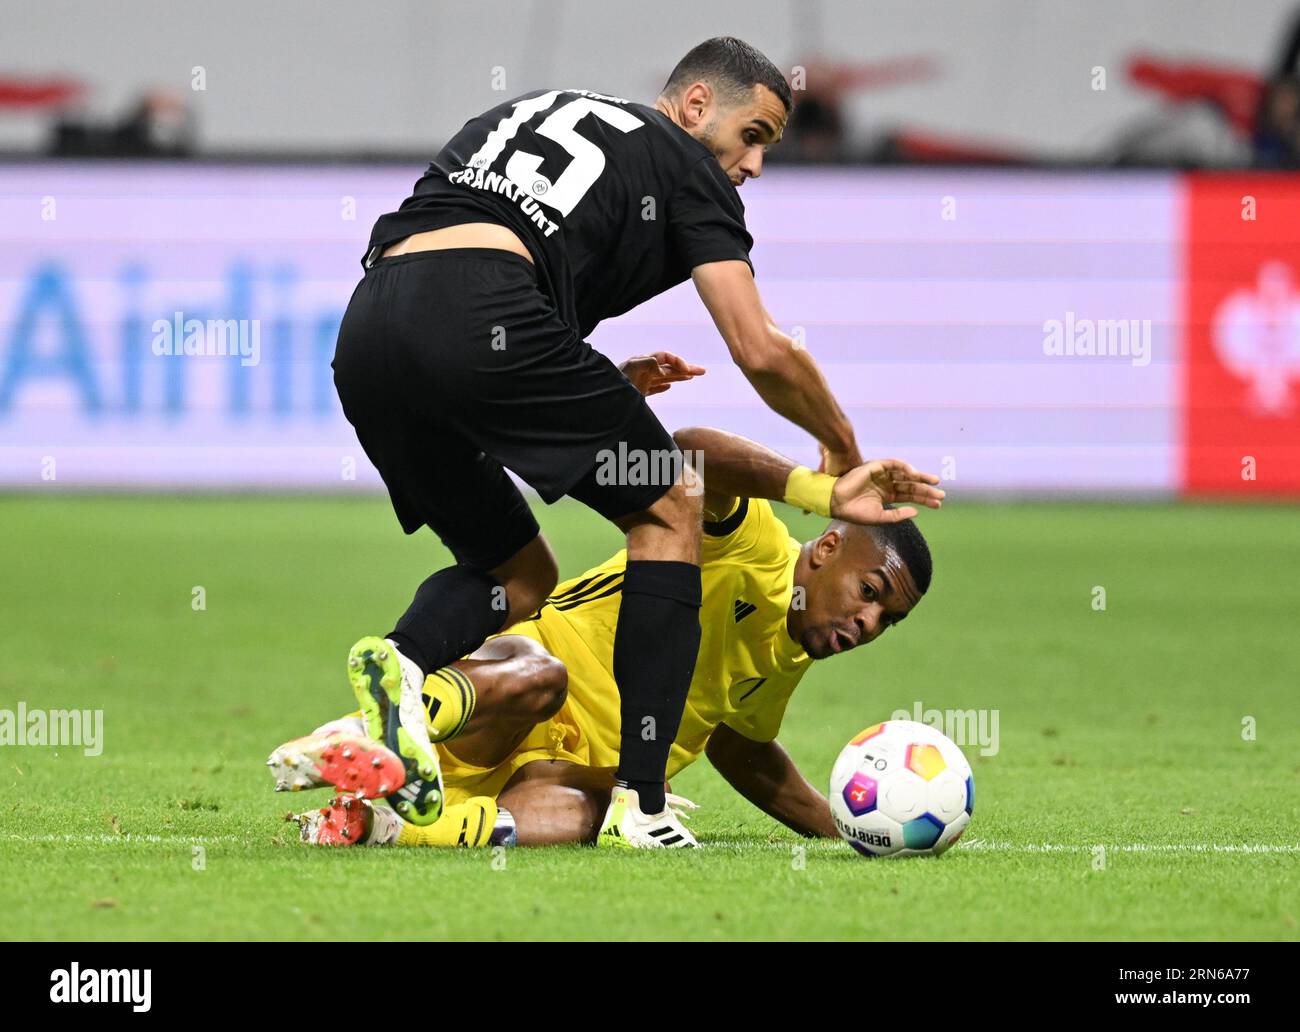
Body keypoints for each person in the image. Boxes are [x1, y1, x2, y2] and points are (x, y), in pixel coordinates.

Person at [330, 37, 873, 845]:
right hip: (487, 313)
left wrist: (596, 379)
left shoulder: (530, 110)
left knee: (518, 573)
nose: (754, 165)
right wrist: (841, 451)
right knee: (670, 504)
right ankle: (642, 803)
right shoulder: (687, 168)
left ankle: (401, 674)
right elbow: (758, 346)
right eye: (754, 135)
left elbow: (475, 268)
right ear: (694, 105)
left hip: (372, 326)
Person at [271, 425, 941, 847]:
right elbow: (686, 456)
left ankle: (390, 826)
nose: (869, 624)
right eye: (871, 593)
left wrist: (851, 828)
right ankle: (380, 726)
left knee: (597, 815)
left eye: (889, 620)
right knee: (537, 672)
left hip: (569, 773)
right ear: (826, 547)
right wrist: (816, 487)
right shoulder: (750, 538)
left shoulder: (788, 657)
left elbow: (746, 750)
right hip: (508, 701)